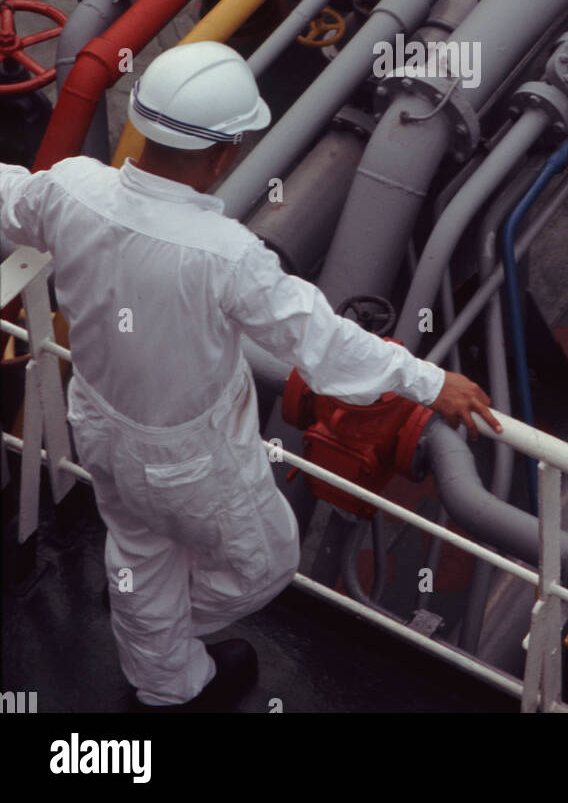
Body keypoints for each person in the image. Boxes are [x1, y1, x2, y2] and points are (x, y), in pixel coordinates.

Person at [0, 42, 500, 712]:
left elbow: (10, 197)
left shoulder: (70, 188)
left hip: (97, 421)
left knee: (140, 550)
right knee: (263, 563)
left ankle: (164, 676)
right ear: (223, 154)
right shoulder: (226, 255)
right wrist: (429, 382)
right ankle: (166, 635)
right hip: (189, 455)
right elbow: (320, 343)